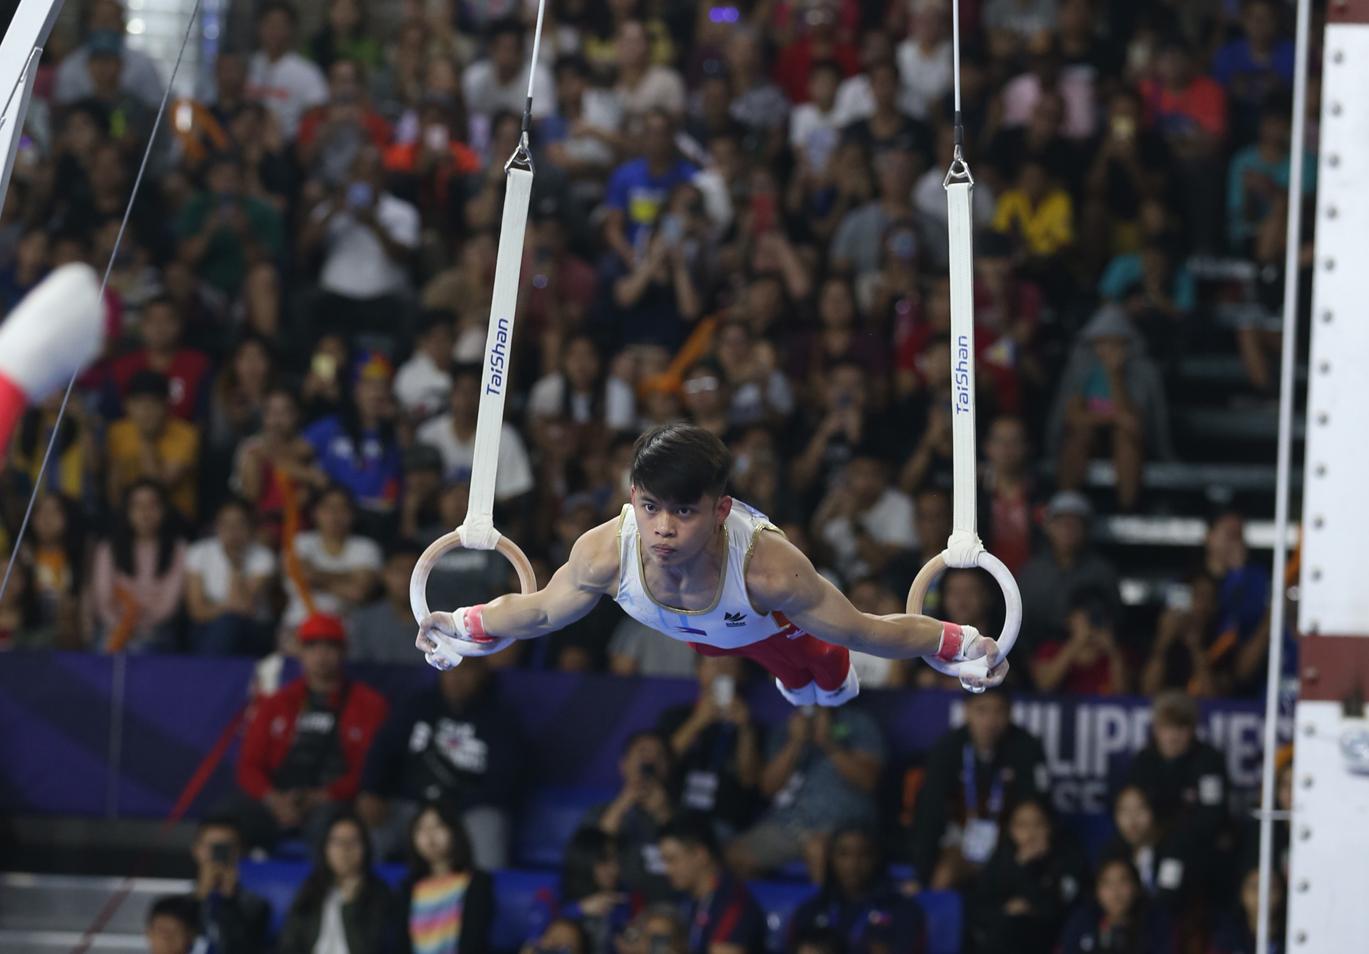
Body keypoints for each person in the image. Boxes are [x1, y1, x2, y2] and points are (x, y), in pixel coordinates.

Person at [414, 423, 1008, 708]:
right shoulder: (604, 553)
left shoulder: (769, 571)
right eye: (649, 507)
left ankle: (816, 679)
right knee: (739, 653)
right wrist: (462, 625)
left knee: (823, 686)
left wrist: (959, 643)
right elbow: (539, 612)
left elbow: (872, 631)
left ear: (722, 509)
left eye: (683, 511)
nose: (663, 529)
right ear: (631, 496)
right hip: (705, 636)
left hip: (772, 622)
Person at [232, 613, 390, 850]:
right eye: (312, 646)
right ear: (300, 652)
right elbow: (249, 765)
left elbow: (370, 770)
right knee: (226, 819)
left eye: (330, 646)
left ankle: (318, 887)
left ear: (344, 651)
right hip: (280, 797)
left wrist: (322, 797)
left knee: (330, 826)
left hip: (335, 801)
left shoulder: (370, 705)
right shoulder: (277, 703)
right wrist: (273, 799)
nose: (321, 655)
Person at [358, 655, 520, 869]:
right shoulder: (418, 706)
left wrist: (452, 805)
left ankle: (484, 896)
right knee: (368, 828)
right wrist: (372, 790)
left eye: (466, 670)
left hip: (469, 810)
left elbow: (506, 781)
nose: (456, 677)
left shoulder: (500, 718)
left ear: (482, 672)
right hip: (414, 805)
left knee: (490, 825)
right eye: (450, 669)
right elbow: (383, 750)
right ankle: (369, 898)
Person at [907, 690, 1049, 891]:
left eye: (999, 712)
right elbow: (930, 811)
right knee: (942, 877)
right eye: (982, 711)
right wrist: (922, 873)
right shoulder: (948, 748)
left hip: (1009, 842)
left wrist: (1018, 848)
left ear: (1010, 713)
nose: (990, 721)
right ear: (966, 711)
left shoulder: (1026, 747)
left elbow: (1035, 807)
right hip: (961, 840)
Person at [728, 700, 886, 880]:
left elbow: (868, 781)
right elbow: (767, 788)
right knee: (734, 856)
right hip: (790, 825)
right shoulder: (789, 726)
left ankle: (823, 908)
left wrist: (829, 743)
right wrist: (796, 742)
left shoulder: (858, 723)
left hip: (842, 824)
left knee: (817, 849)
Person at [656, 654, 761, 838]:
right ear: (698, 670)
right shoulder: (675, 716)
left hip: (726, 819)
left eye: (729, 664)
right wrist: (698, 721)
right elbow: (661, 764)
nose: (720, 671)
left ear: (743, 674)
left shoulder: (750, 723)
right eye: (713, 663)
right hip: (677, 813)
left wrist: (745, 729)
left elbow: (749, 779)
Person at [968, 797, 1090, 954]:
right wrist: (1006, 910)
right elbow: (978, 906)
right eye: (1022, 825)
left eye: (1038, 824)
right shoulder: (1003, 857)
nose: (1030, 833)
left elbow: (1058, 908)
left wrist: (1026, 869)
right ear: (1011, 830)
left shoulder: (1066, 856)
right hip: (1002, 933)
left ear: (1049, 827)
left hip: (1046, 935)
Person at [787, 825, 928, 953]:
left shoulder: (903, 911)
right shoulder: (810, 911)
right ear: (830, 859)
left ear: (877, 858)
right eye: (844, 854)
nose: (853, 865)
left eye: (864, 855)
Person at [278, 810, 400, 954]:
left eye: (353, 842)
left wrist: (350, 906)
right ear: (325, 848)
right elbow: (288, 944)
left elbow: (369, 948)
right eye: (337, 842)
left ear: (365, 848)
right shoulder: (311, 888)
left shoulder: (379, 892)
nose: (345, 850)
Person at [88, 480, 187, 652]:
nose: (144, 512)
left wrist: (136, 627)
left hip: (157, 630)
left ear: (164, 510)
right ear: (127, 511)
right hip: (114, 627)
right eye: (137, 506)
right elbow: (103, 599)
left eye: (152, 505)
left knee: (139, 648)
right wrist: (122, 627)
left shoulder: (178, 549)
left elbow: (169, 606)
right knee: (104, 650)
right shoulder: (109, 548)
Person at [1124, 691, 1230, 850]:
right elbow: (1130, 804)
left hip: (1196, 844)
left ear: (1192, 729)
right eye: (1166, 727)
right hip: (1149, 838)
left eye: (1180, 727)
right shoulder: (1144, 760)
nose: (1173, 736)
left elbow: (1212, 814)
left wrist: (1177, 837)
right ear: (1156, 729)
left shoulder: (1208, 761)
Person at [585, 730, 677, 901]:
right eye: (642, 752)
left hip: (669, 909)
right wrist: (623, 804)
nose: (650, 760)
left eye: (659, 755)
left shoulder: (681, 816)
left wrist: (664, 815)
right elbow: (590, 855)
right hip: (616, 904)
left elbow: (691, 864)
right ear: (623, 765)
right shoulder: (599, 813)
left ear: (667, 768)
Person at [658, 814, 766, 954]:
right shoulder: (686, 899)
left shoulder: (732, 905)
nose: (667, 870)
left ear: (700, 855)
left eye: (672, 860)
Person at [397, 801, 495, 954]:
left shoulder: (477, 882)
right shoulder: (407, 887)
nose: (429, 835)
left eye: (438, 826)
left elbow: (474, 943)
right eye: (421, 828)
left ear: (455, 832)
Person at [104, 370, 201, 522]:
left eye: (153, 404)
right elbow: (114, 486)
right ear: (127, 405)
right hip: (129, 519)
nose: (146, 411)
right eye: (139, 403)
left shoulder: (186, 435)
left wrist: (146, 439)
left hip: (174, 518)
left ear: (166, 406)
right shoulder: (117, 432)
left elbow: (159, 487)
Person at [185, 496, 277, 656]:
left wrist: (235, 567)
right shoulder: (199, 552)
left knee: (229, 623)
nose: (232, 531)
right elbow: (197, 611)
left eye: (240, 523)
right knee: (223, 625)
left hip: (254, 629)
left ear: (251, 526)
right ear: (216, 526)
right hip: (208, 627)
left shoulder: (263, 557)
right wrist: (227, 609)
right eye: (226, 524)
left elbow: (245, 606)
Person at [184, 815, 272, 954]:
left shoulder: (256, 905)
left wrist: (229, 899)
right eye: (213, 847)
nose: (219, 854)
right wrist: (200, 897)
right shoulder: (177, 903)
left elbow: (244, 947)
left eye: (227, 847)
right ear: (196, 850)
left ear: (241, 851)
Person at [1057, 857, 1174, 954]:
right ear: (1097, 891)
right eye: (1107, 883)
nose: (1115, 892)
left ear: (1137, 888)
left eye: (1123, 882)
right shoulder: (1082, 921)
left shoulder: (1155, 922)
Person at [558, 827, 634, 954]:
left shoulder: (624, 896)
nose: (614, 868)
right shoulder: (555, 890)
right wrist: (580, 909)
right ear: (584, 860)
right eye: (604, 860)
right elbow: (540, 936)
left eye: (616, 859)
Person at [349, 541, 425, 663]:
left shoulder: (443, 618)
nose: (407, 578)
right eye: (399, 570)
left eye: (413, 570)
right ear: (384, 574)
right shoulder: (364, 621)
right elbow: (359, 670)